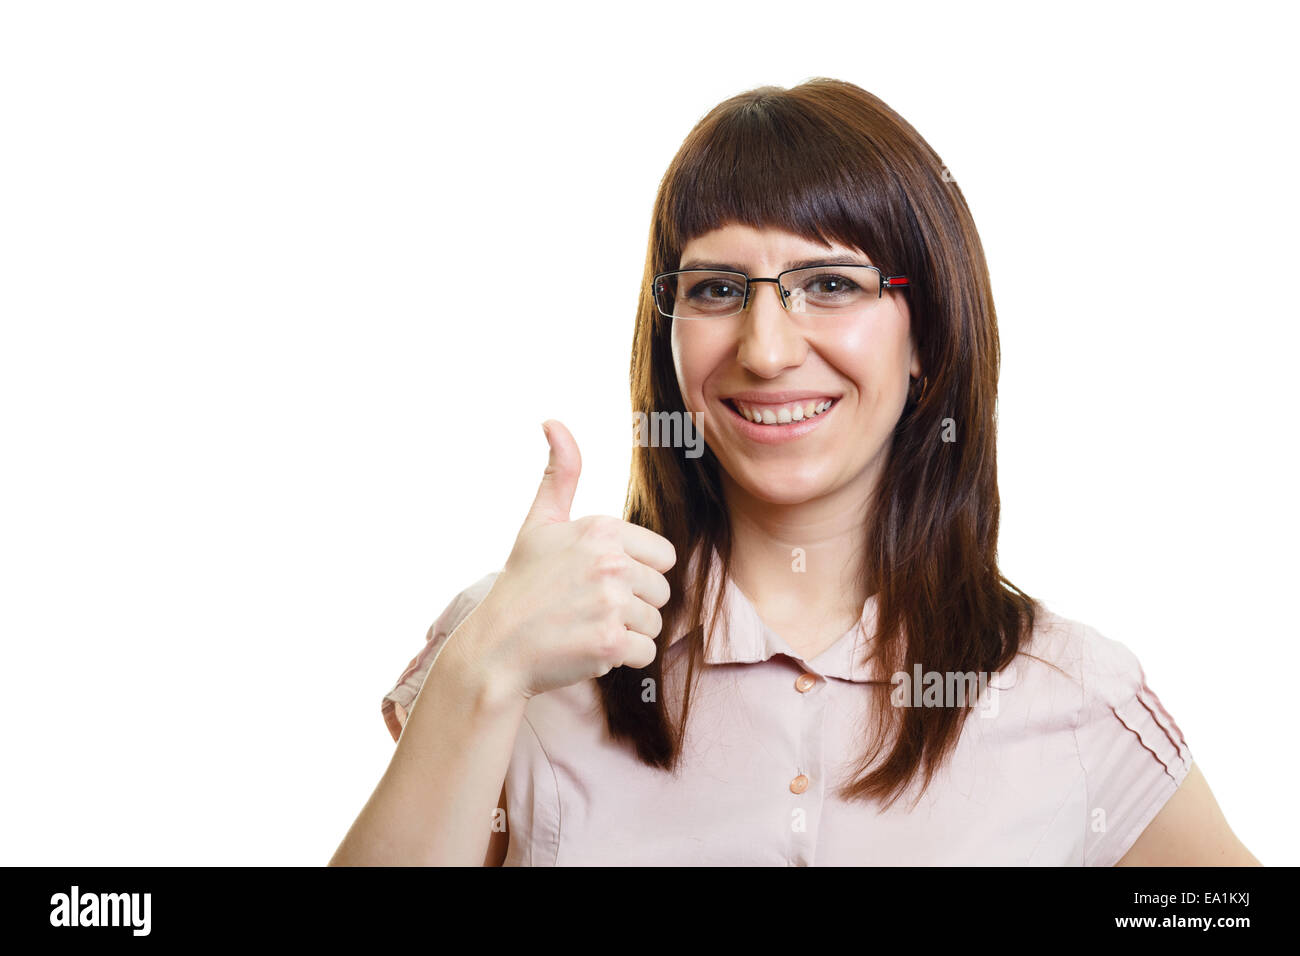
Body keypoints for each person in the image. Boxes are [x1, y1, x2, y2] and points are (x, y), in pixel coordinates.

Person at [329, 77, 1260, 866]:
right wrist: (483, 670)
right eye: (717, 289)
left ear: (925, 335)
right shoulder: (518, 649)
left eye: (831, 284)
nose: (767, 350)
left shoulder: (1070, 693)